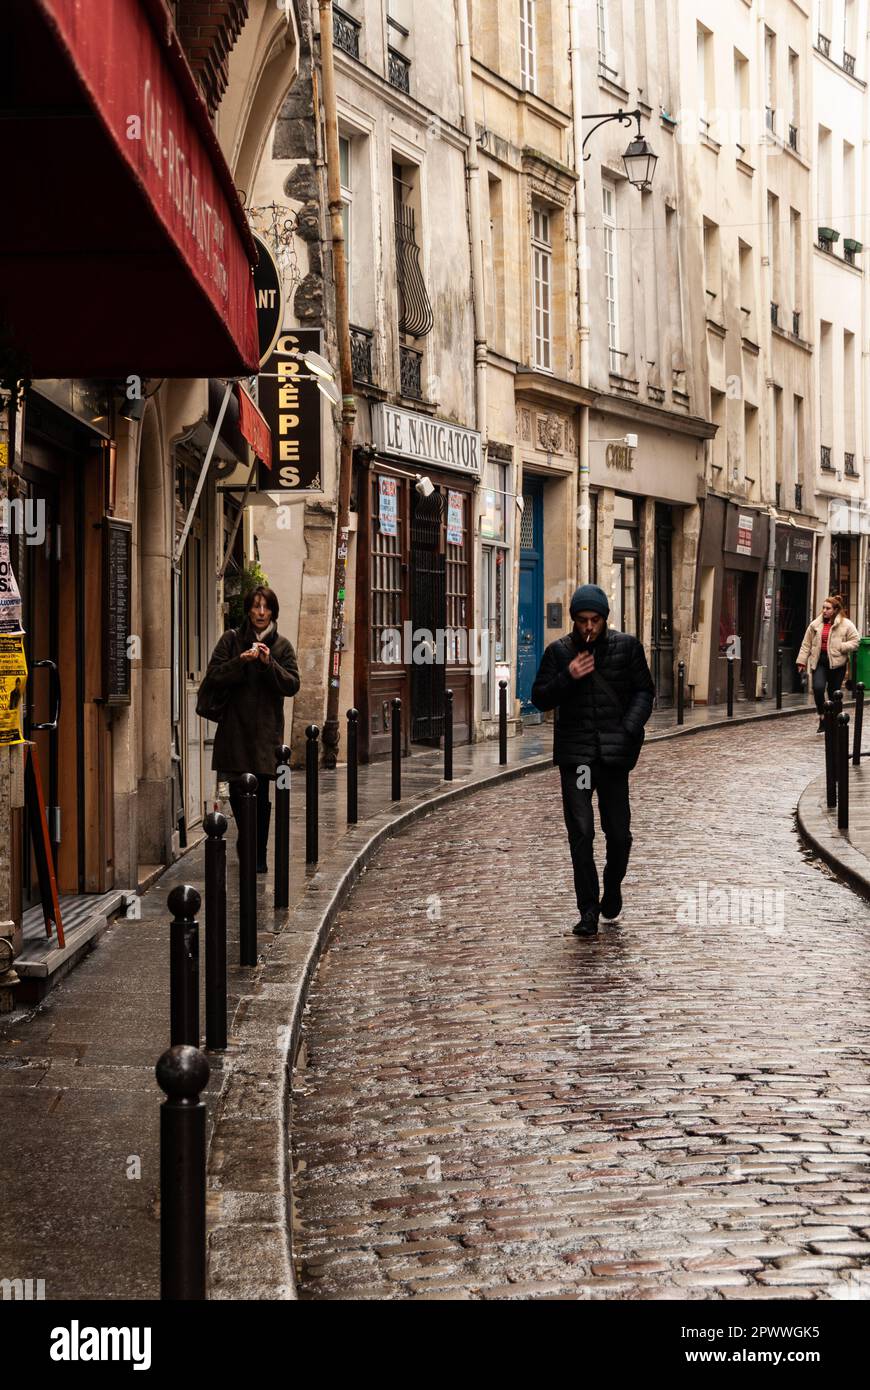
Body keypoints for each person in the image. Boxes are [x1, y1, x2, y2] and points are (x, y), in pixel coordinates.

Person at [532, 584, 655, 939]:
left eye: (595, 620)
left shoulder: (626, 647)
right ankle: (587, 910)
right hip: (579, 761)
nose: (589, 627)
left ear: (604, 619)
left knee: (618, 835)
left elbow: (644, 691)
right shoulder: (558, 653)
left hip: (613, 759)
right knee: (582, 833)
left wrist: (629, 727)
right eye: (582, 620)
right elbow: (539, 699)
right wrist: (568, 676)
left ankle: (612, 886)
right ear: (573, 620)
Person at [202, 585, 300, 872]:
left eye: (266, 607)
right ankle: (246, 843)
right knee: (237, 795)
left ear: (272, 612)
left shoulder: (281, 646)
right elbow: (214, 678)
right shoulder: (230, 641)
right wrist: (240, 661)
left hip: (266, 737)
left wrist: (268, 664)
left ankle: (258, 854)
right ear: (248, 609)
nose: (260, 612)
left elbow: (292, 684)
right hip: (234, 733)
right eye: (256, 606)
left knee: (262, 798)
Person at [797, 593, 859, 732]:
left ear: (835, 610)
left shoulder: (846, 624)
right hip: (819, 661)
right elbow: (806, 644)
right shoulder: (815, 624)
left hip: (838, 664)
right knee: (818, 689)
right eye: (823, 608)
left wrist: (841, 647)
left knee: (833, 693)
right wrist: (802, 661)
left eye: (828, 608)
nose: (824, 611)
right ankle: (823, 716)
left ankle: (836, 721)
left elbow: (856, 641)